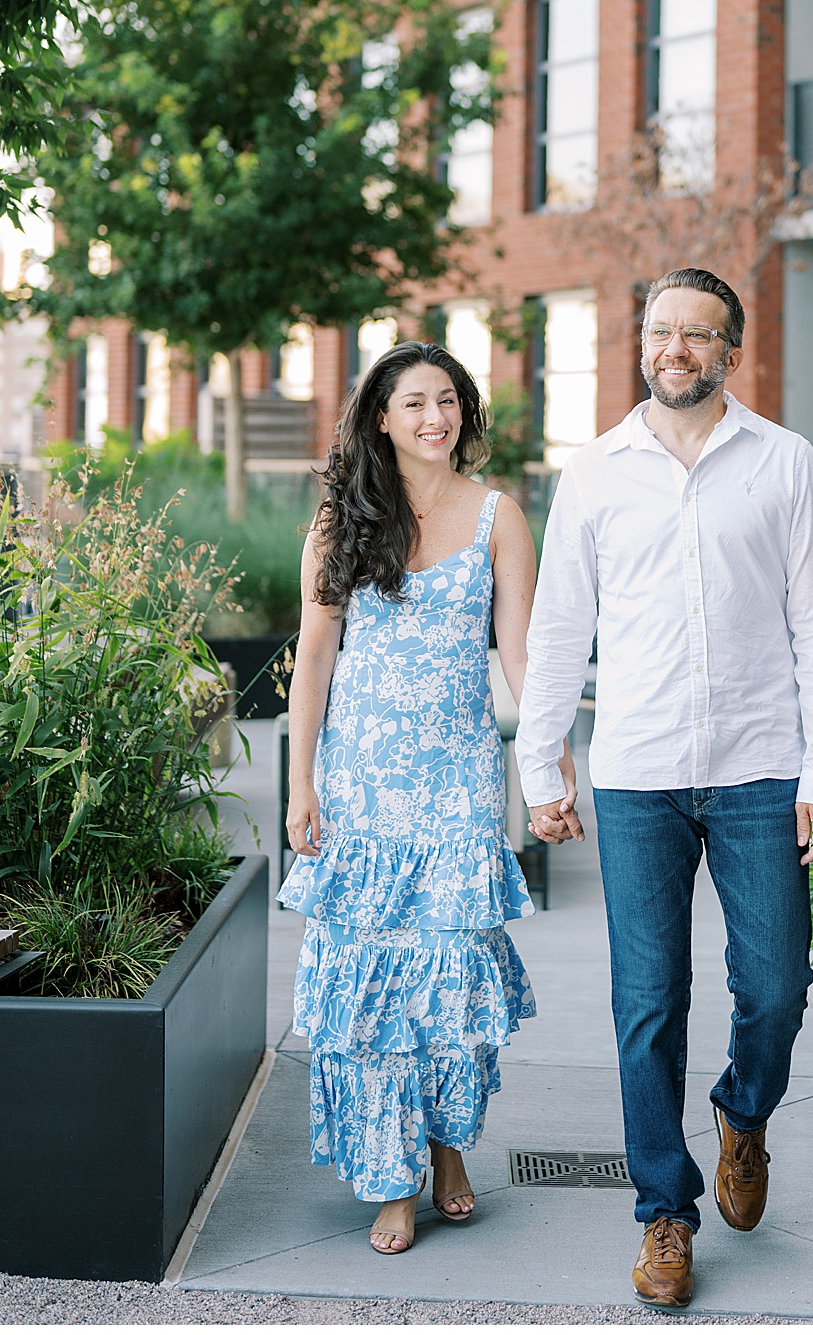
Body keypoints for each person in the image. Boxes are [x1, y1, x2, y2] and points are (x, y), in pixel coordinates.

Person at [514, 267, 813, 1309]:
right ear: (642, 343)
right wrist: (540, 762)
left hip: (760, 765)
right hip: (637, 770)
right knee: (648, 1001)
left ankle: (743, 1113)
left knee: (780, 986)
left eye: (698, 336)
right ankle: (665, 1211)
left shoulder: (782, 461)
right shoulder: (596, 472)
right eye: (661, 331)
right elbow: (560, 629)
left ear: (730, 352)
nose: (676, 349)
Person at [280, 341, 568, 1255]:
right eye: (415, 404)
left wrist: (552, 771)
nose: (435, 417)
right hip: (360, 786)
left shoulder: (499, 517)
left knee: (448, 984)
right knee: (370, 990)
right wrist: (302, 783)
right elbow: (313, 657)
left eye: (447, 401)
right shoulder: (341, 520)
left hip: (456, 790)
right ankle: (390, 1178)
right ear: (382, 418)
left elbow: (521, 657)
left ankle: (448, 1149)